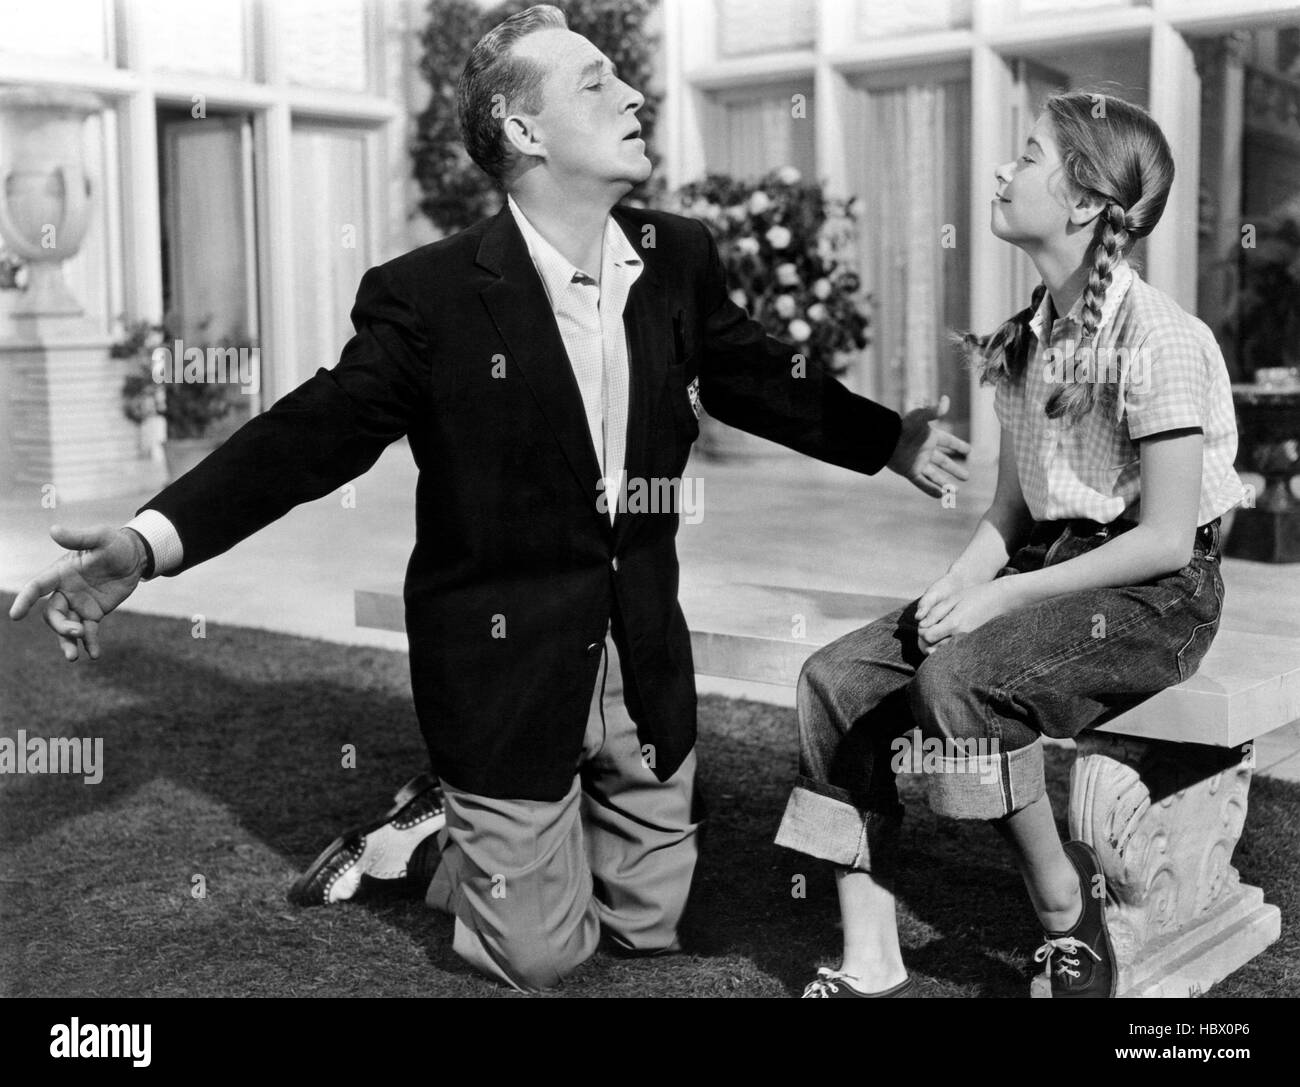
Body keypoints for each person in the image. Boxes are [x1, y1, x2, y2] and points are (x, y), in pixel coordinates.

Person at [7, 5, 969, 993]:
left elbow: (757, 372)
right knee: (544, 953)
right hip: (506, 673)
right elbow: (306, 435)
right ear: (523, 131)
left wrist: (887, 439)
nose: (633, 93)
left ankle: (513, 828)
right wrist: (151, 538)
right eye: (595, 83)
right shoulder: (427, 297)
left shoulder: (677, 256)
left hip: (643, 663)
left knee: (644, 935)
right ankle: (417, 845)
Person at [778, 91, 1245, 999]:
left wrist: (998, 604)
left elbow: (1162, 539)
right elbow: (1010, 513)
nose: (999, 170)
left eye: (1025, 157)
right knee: (834, 682)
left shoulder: (1162, 340)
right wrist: (957, 587)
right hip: (1048, 570)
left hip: (1160, 592)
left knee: (959, 683)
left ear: (1079, 201)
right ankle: (871, 951)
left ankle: (1066, 909)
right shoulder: (1022, 340)